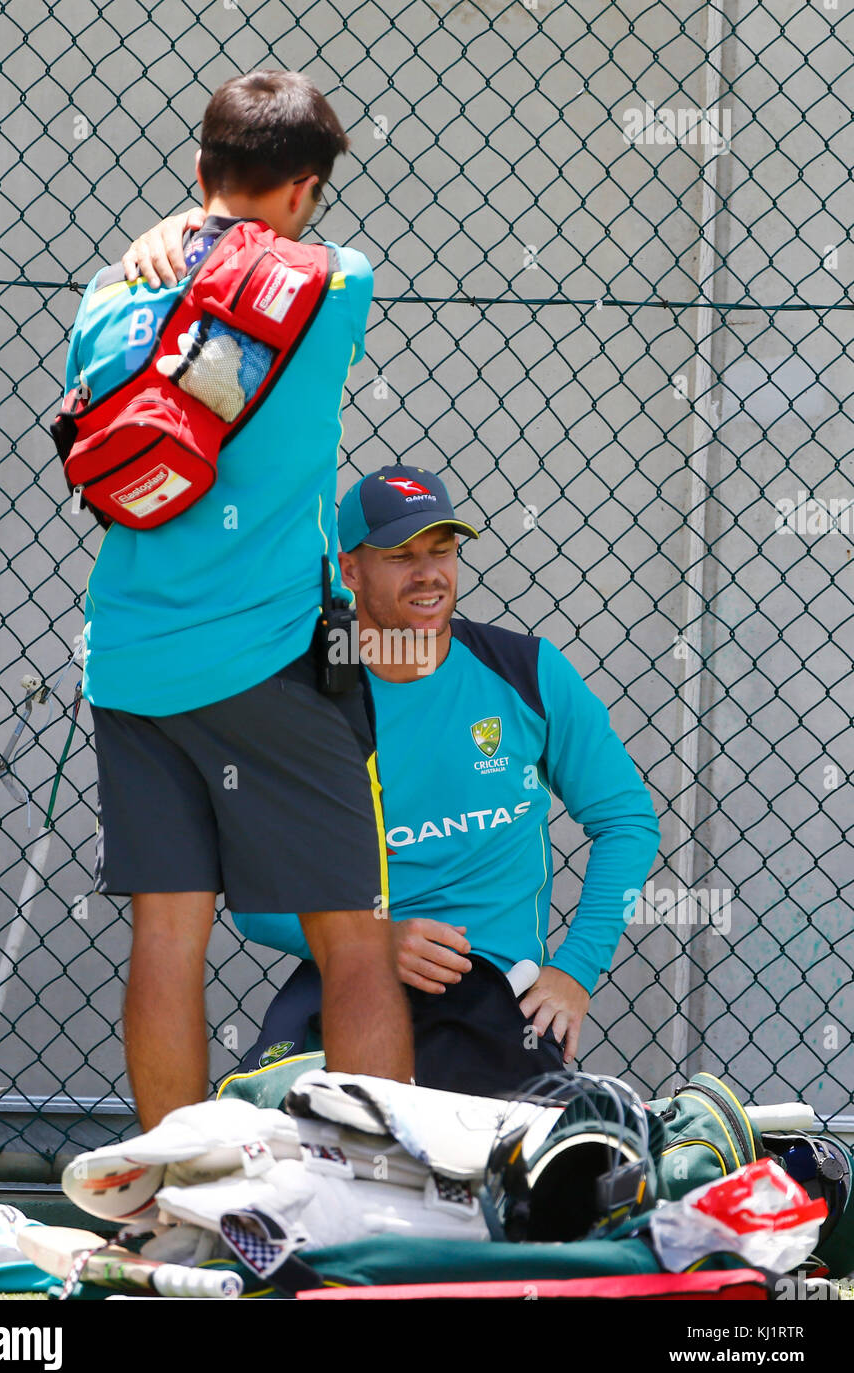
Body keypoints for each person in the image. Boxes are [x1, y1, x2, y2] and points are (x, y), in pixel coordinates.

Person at [62, 70, 413, 1128]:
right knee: (349, 933)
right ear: (304, 187)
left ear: (199, 167)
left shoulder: (110, 294)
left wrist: (178, 226)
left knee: (168, 934)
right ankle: (376, 1202)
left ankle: (173, 1202)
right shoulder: (334, 281)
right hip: (276, 660)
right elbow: (277, 259)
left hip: (130, 657)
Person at [224, 465, 663, 1097]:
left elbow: (626, 821)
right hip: (348, 966)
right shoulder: (303, 695)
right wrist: (376, 940)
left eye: (443, 550)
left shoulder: (525, 671)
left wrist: (575, 970)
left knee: (483, 1153)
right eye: (401, 556)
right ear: (350, 572)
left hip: (486, 984)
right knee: (269, 1129)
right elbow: (254, 899)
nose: (429, 574)